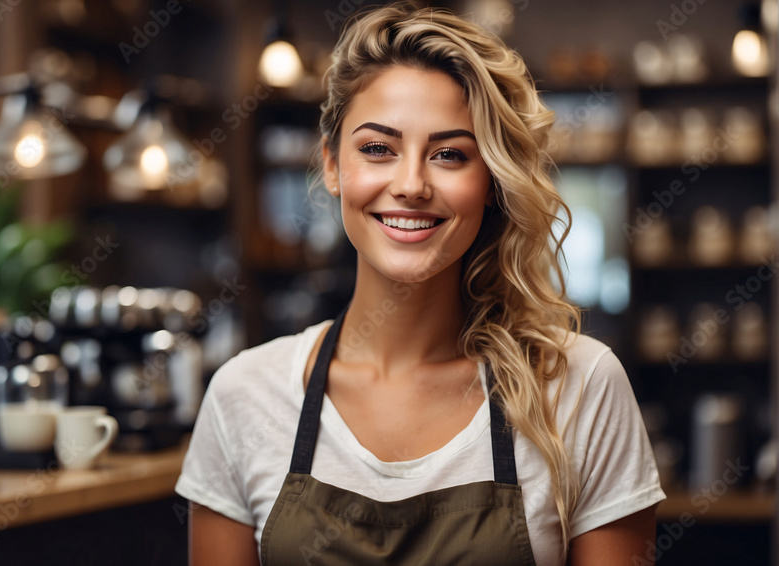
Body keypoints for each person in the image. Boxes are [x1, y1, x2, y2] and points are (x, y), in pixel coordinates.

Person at [175, 3, 665, 565]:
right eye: (378, 148)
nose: (410, 185)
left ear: (491, 183)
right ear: (332, 165)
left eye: (449, 154)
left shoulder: (580, 388)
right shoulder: (244, 396)